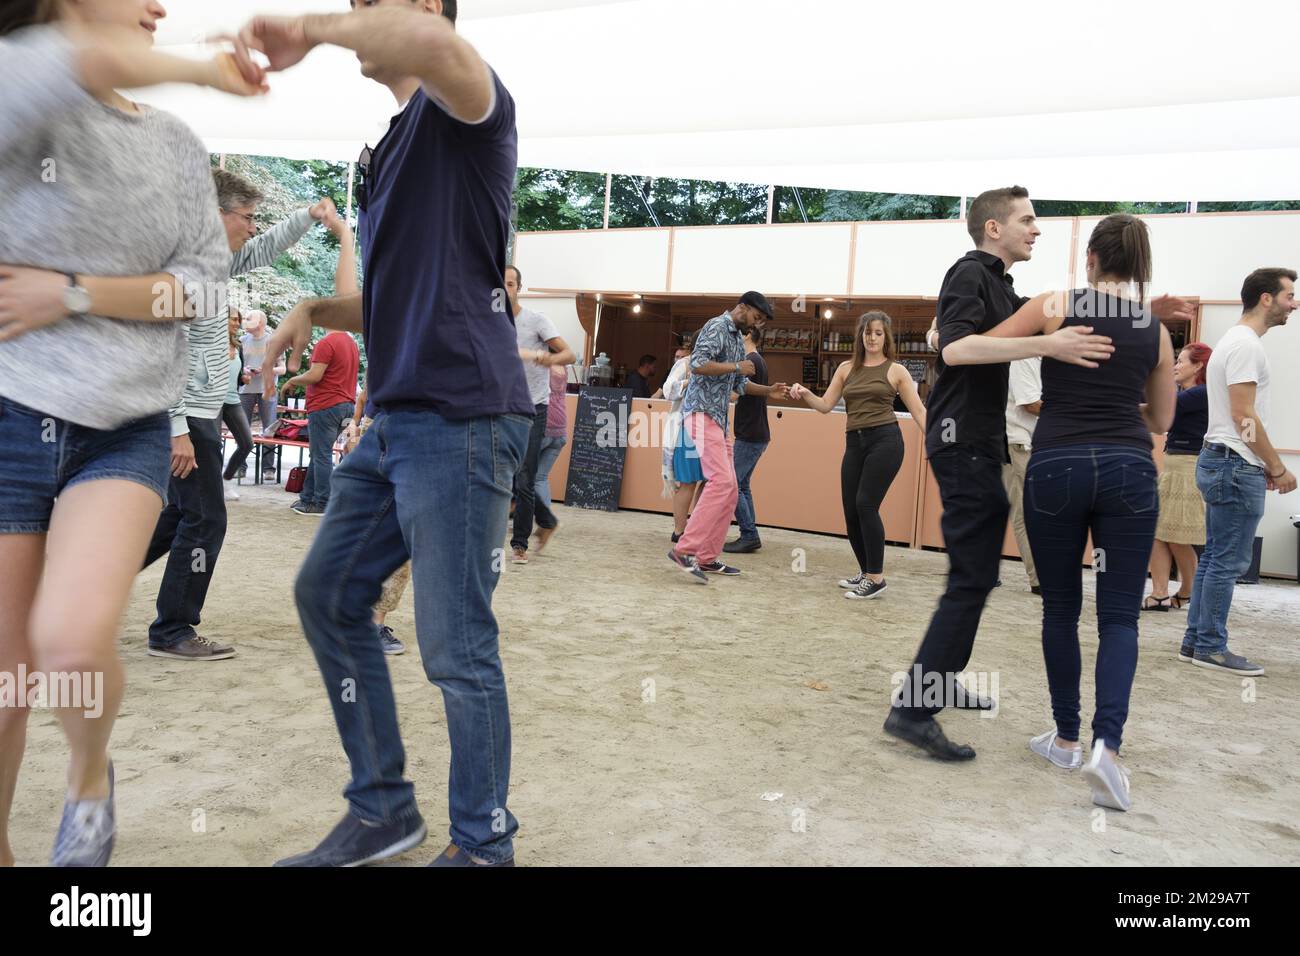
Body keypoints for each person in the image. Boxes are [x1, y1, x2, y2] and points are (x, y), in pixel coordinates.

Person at [249, 0, 534, 867]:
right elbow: (396, 297)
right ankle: (383, 809)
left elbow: (434, 41)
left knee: (455, 645)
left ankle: (484, 844)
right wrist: (310, 306)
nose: (351, 16)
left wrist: (311, 29)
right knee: (328, 594)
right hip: (398, 416)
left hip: (465, 416)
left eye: (367, 3)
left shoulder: (465, 108)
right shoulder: (389, 145)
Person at [0, 0, 259, 867]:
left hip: (125, 425)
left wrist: (70, 292)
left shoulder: (177, 144)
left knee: (70, 639)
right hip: (9, 415)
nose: (158, 6)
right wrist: (200, 63)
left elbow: (202, 288)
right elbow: (60, 62)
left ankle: (84, 779)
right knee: (6, 680)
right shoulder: (19, 84)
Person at [882, 186, 1189, 762]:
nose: (1038, 230)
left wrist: (1128, 314)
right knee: (973, 577)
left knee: (980, 576)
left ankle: (939, 680)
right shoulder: (971, 272)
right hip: (961, 440)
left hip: (989, 444)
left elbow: (956, 336)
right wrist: (1057, 341)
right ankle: (913, 707)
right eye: (1027, 220)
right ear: (993, 227)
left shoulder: (1002, 285)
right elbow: (953, 350)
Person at [986, 214, 1176, 812]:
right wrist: (1119, 404)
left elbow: (986, 344)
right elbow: (1163, 421)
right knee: (1120, 618)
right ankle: (1107, 750)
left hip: (1056, 463)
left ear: (1091, 256)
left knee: (1061, 607)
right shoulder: (1157, 331)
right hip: (1128, 468)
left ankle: (1066, 737)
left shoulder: (1053, 304)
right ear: (1140, 263)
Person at [142, 170, 337, 661]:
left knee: (177, 516)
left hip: (197, 412)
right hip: (186, 417)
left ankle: (84, 590)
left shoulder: (212, 262)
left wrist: (308, 217)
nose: (252, 228)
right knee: (206, 520)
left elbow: (263, 249)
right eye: (246, 217)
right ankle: (172, 630)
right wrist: (177, 429)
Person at [1181, 268, 1297, 674]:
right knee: (1226, 562)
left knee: (1215, 558)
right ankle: (1211, 646)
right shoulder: (1247, 346)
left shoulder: (1233, 341)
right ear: (1266, 298)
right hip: (1233, 464)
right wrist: (1276, 465)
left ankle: (1196, 642)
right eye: (1288, 296)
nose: (1293, 303)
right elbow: (1243, 415)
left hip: (1221, 459)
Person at [790, 311, 926, 599]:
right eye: (867, 333)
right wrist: (803, 393)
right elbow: (826, 405)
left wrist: (940, 444)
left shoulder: (896, 370)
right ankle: (866, 572)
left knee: (866, 504)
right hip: (855, 442)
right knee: (851, 511)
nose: (872, 338)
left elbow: (919, 412)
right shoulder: (845, 368)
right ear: (860, 336)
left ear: (885, 336)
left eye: (878, 333)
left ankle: (876, 579)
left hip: (886, 441)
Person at [668, 292, 789, 582]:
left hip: (718, 420)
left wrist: (769, 389)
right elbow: (697, 363)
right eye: (756, 318)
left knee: (731, 488)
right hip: (700, 413)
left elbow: (741, 384)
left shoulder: (736, 338)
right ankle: (684, 549)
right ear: (742, 308)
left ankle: (708, 557)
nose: (757, 324)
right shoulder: (716, 327)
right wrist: (737, 366)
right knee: (721, 482)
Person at [280, 212, 361, 516]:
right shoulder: (350, 342)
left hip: (325, 405)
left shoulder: (327, 343)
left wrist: (292, 381)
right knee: (320, 454)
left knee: (322, 455)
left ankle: (321, 501)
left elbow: (316, 375)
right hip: (345, 404)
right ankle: (309, 496)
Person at [506, 264, 575, 563]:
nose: (505, 289)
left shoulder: (535, 320)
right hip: (499, 407)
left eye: (511, 284)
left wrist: (544, 358)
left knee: (524, 477)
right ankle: (547, 521)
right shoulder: (488, 322)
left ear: (519, 287)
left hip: (534, 407)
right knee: (503, 474)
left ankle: (519, 543)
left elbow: (569, 354)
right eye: (500, 284)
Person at [1144, 342, 1212, 611]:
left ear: (1198, 365)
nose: (1175, 366)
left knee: (1178, 536)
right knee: (1158, 532)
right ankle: (1160, 593)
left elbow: (1159, 407)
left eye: (1181, 361)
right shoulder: (1186, 392)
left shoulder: (1201, 393)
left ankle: (1187, 591)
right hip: (1174, 467)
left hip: (1188, 468)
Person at [723, 328, 771, 554]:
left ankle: (749, 534)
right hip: (756, 433)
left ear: (749, 335)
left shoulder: (750, 362)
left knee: (732, 484)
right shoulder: (757, 360)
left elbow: (736, 393)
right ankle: (749, 533)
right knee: (742, 485)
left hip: (750, 434)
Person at [658, 339, 705, 542]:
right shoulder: (685, 364)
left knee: (710, 481)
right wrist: (689, 382)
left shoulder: (717, 364)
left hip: (710, 427)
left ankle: (698, 526)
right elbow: (668, 390)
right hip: (687, 427)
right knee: (688, 482)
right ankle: (679, 531)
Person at [1003, 358, 1042, 594]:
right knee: (1025, 513)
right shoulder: (1025, 355)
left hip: (1033, 443)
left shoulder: (1043, 354)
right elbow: (1030, 403)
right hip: (1019, 443)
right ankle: (1039, 578)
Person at [238, 309, 285, 478]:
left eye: (250, 318)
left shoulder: (273, 341)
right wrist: (244, 370)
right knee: (241, 428)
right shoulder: (241, 341)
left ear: (260, 323)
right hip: (245, 389)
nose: (245, 321)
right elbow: (236, 365)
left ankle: (268, 469)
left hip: (268, 389)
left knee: (269, 428)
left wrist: (266, 369)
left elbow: (283, 368)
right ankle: (240, 466)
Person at [532, 363, 570, 552]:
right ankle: (545, 520)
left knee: (523, 476)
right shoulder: (563, 368)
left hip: (542, 425)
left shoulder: (541, 366)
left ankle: (541, 520)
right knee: (540, 478)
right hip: (561, 428)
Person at [222, 309, 256, 501]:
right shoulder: (212, 343)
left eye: (239, 320)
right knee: (210, 445)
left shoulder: (238, 345)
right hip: (213, 401)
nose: (237, 323)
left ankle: (225, 480)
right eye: (234, 319)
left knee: (246, 443)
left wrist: (244, 378)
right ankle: (206, 486)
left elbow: (237, 376)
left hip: (233, 400)